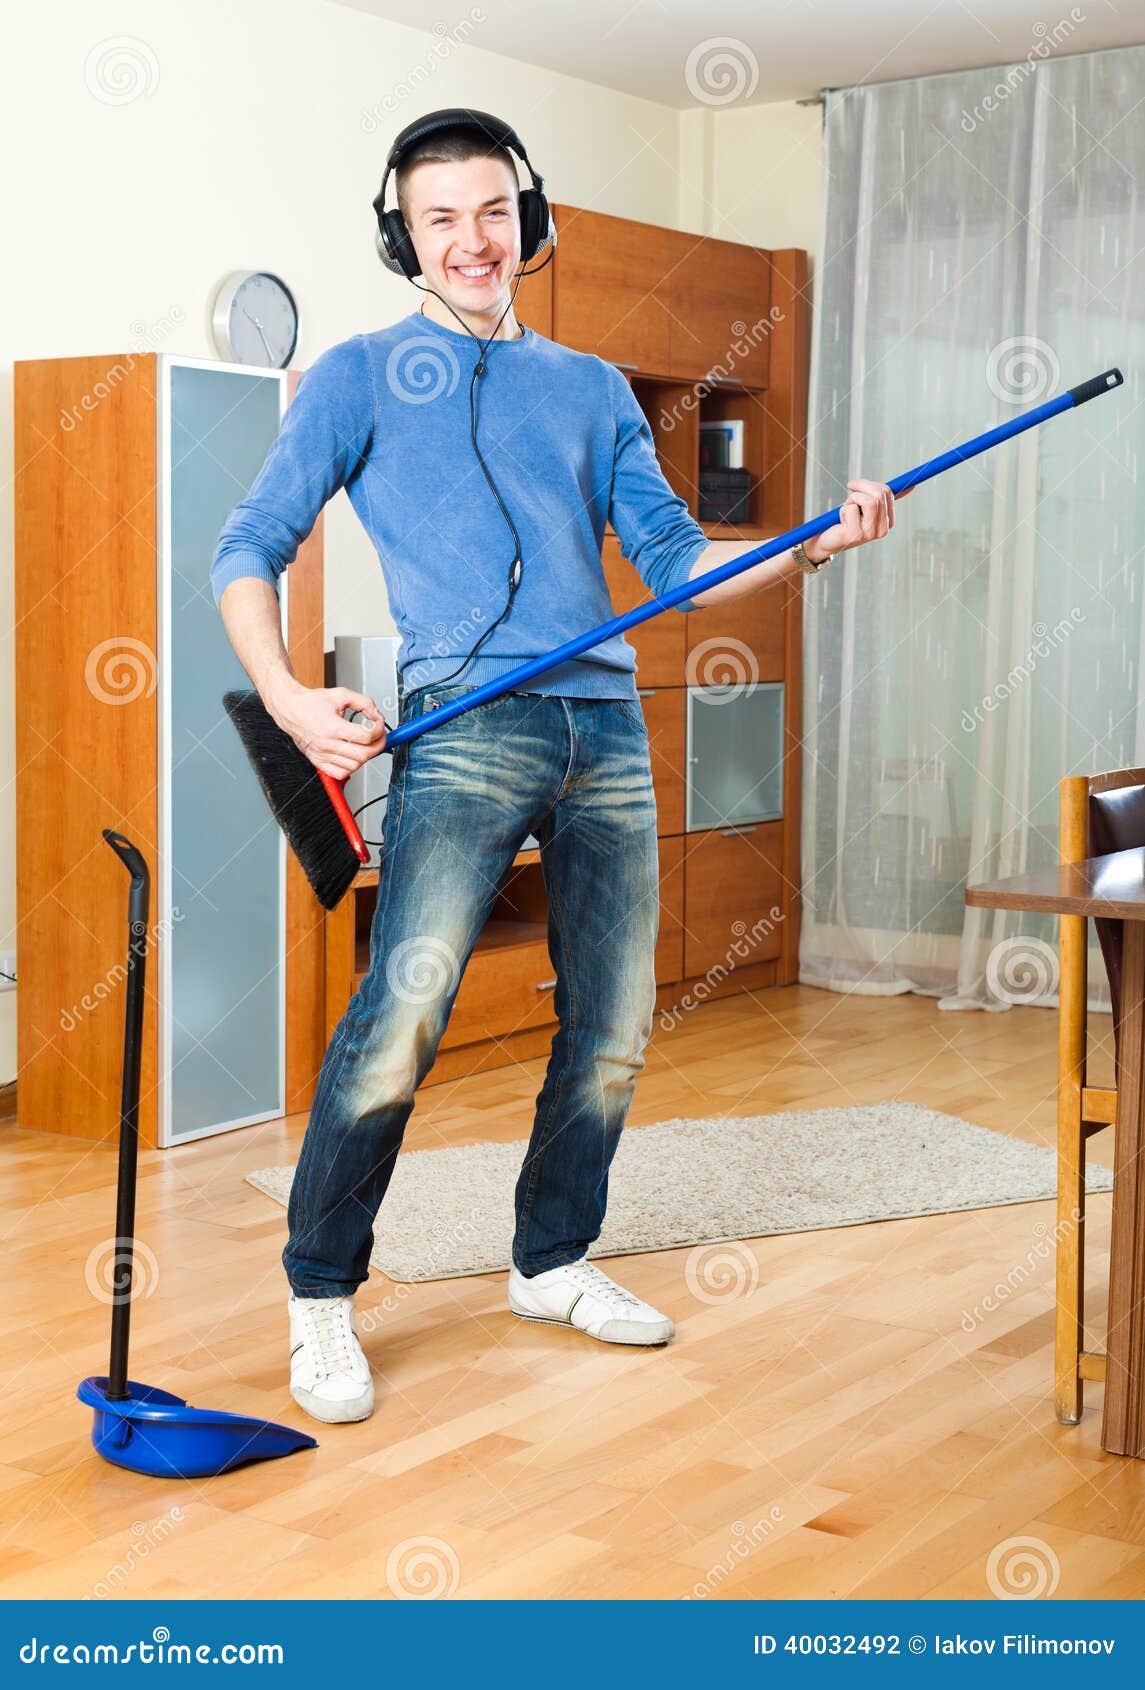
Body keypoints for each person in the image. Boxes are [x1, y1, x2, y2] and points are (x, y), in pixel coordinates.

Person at [211, 109, 898, 1425]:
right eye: (438, 219)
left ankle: (551, 1257)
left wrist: (815, 541)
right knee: (402, 1020)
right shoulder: (354, 378)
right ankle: (318, 1299)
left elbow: (685, 564)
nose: (470, 240)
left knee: (612, 1025)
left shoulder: (586, 388)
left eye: (489, 211)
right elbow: (245, 552)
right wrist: (295, 700)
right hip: (462, 732)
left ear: (527, 220)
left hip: (605, 730)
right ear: (400, 237)